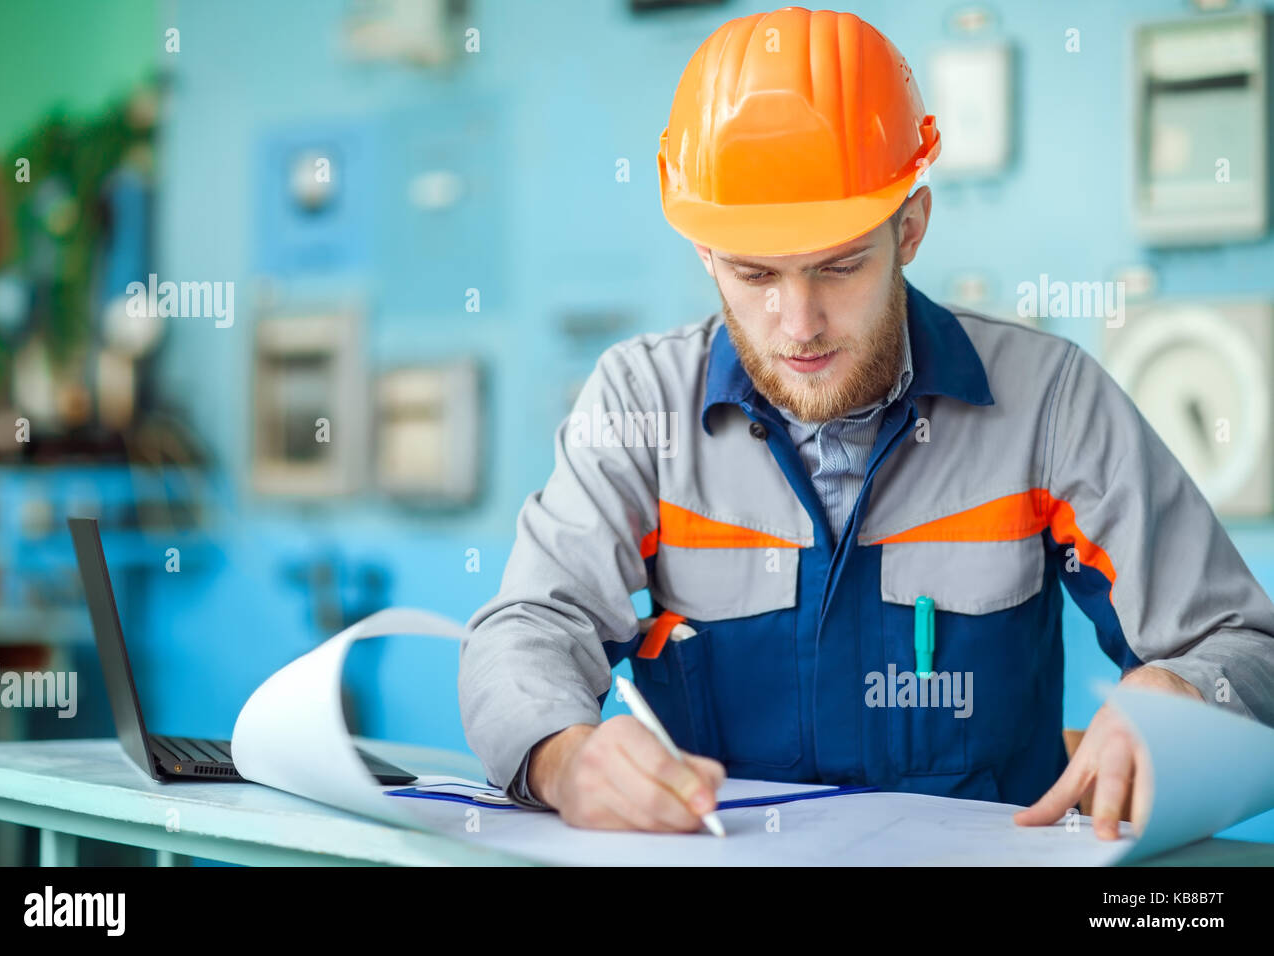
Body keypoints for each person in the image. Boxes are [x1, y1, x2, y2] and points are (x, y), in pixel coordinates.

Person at [459, 7, 1274, 838]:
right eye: (754, 273)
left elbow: (1246, 646)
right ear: (704, 253)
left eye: (839, 266)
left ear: (909, 229)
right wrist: (566, 759)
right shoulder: (639, 405)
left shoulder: (1052, 404)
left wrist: (1181, 698)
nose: (799, 322)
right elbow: (528, 625)